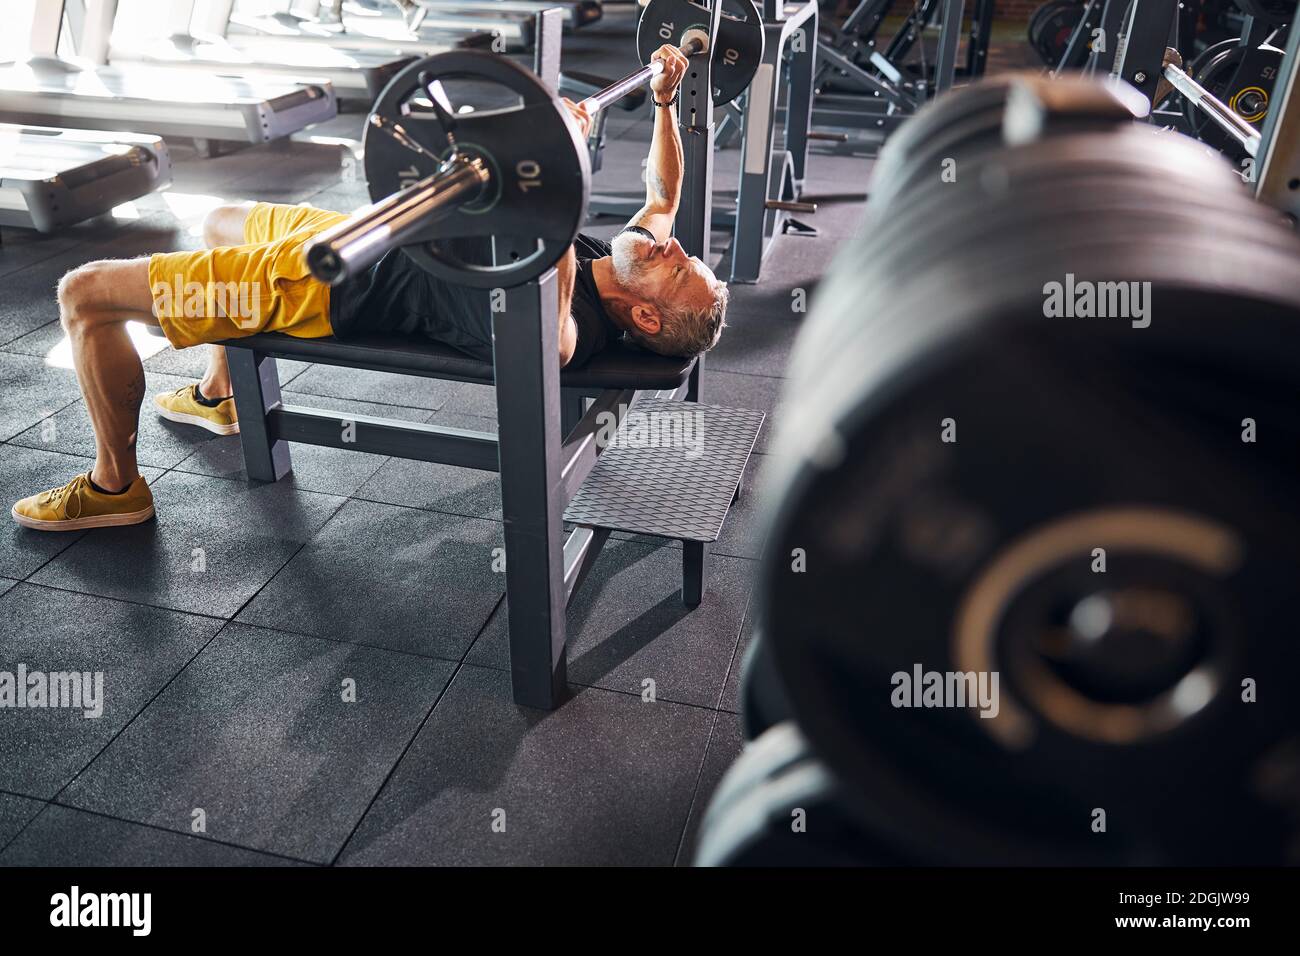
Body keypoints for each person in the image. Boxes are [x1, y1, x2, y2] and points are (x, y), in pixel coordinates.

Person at [11, 45, 729, 532]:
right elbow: (663, 191)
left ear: (642, 312)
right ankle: (217, 395)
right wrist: (664, 99)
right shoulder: (617, 257)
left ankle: (114, 488)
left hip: (325, 286)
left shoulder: (571, 322)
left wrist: (558, 159)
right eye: (683, 252)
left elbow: (549, 284)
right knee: (223, 220)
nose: (670, 245)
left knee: (86, 293)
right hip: (369, 227)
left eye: (676, 267)